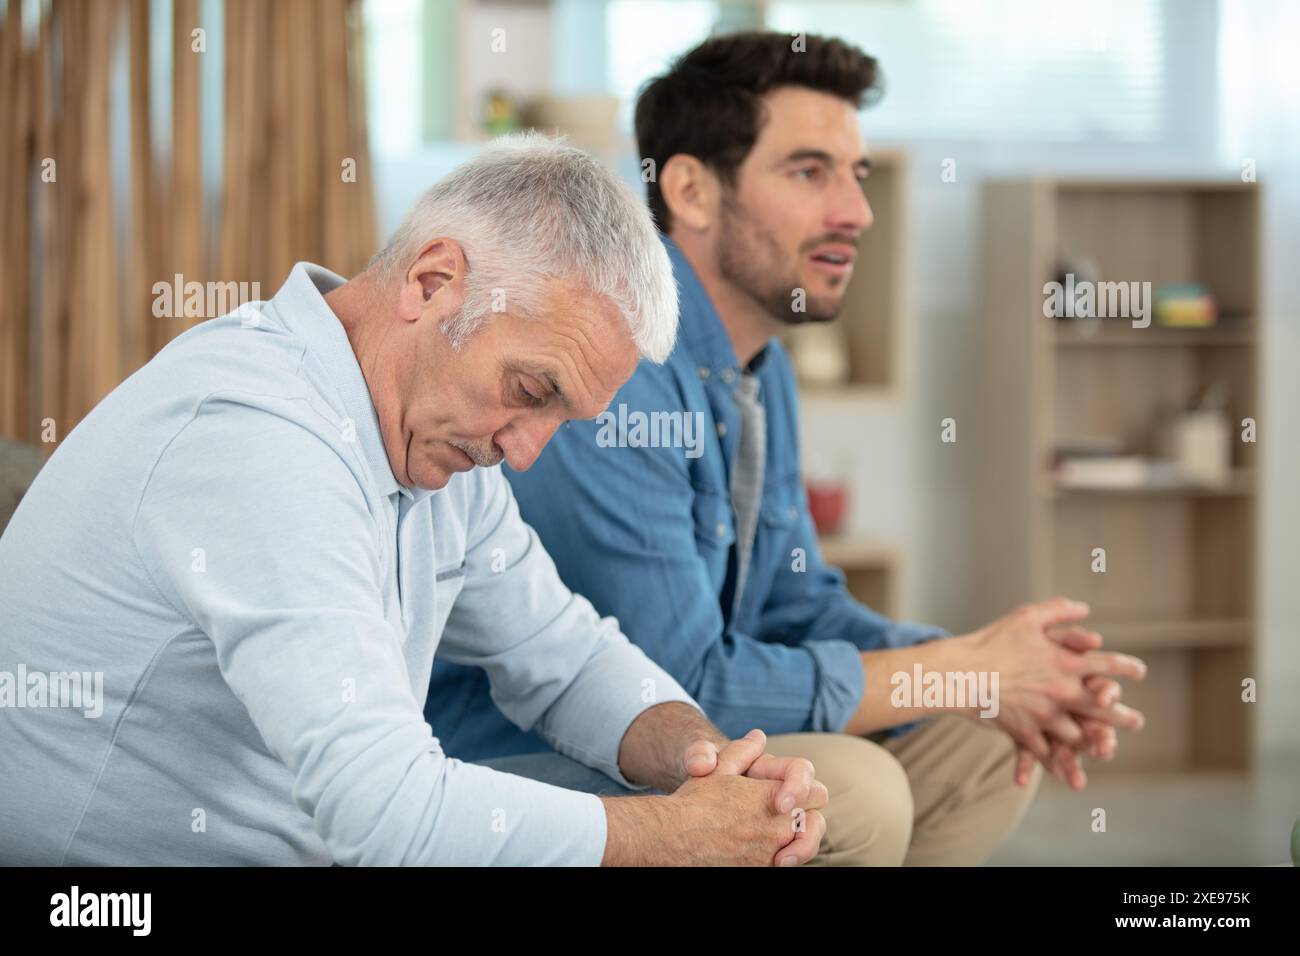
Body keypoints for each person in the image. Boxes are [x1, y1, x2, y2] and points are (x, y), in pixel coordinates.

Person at [0, 134, 831, 867]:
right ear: (433, 282)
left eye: (562, 418)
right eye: (530, 389)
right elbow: (387, 818)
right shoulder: (260, 442)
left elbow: (564, 658)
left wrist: (713, 767)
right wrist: (685, 840)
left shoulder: (433, 440)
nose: (525, 449)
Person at [425, 33, 1148, 866]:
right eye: (810, 172)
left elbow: (797, 603)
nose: (856, 211)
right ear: (691, 190)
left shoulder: (759, 370)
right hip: (540, 760)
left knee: (979, 736)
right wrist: (955, 664)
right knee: (859, 788)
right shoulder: (611, 365)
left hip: (690, 720)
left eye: (859, 176)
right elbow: (679, 687)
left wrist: (999, 672)